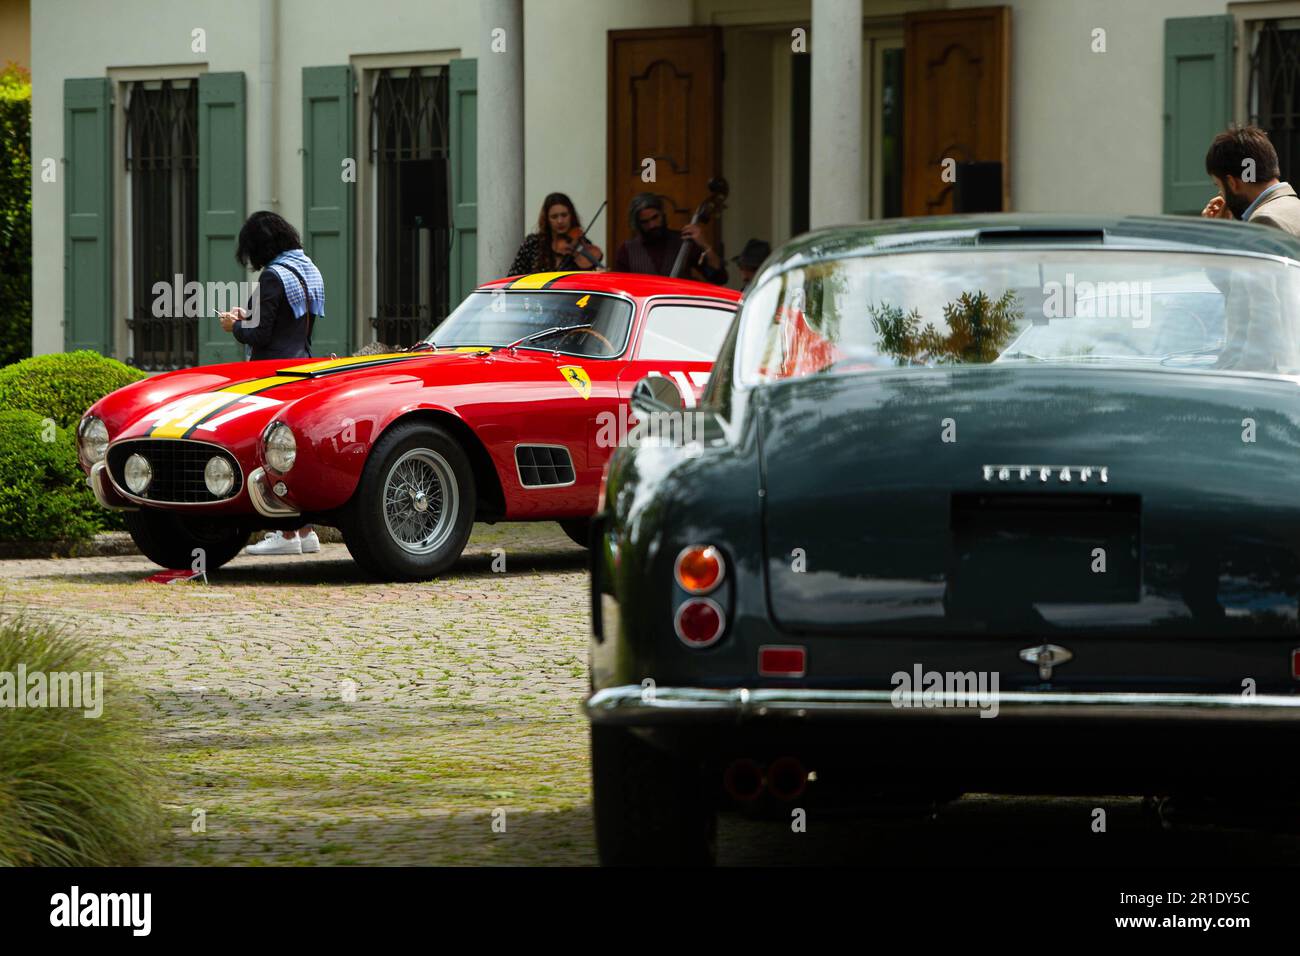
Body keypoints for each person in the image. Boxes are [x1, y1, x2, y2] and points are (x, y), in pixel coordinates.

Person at [217, 210, 323, 556]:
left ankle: (285, 534)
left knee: (269, 453)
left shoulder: (274, 276)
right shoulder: (306, 269)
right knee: (293, 452)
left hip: (271, 374)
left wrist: (234, 328)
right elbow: (287, 321)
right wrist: (249, 314)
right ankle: (306, 531)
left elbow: (262, 335)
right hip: (302, 365)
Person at [1201, 124, 1300, 237]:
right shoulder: (1295, 206)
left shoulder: (1264, 221)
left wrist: (1215, 234)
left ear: (1232, 183)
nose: (1220, 193)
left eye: (1218, 185)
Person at [613, 192, 727, 284]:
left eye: (655, 217)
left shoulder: (683, 242)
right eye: (645, 222)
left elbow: (719, 278)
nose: (652, 225)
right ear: (637, 224)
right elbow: (620, 288)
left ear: (663, 214)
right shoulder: (627, 250)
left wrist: (705, 246)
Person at [509, 192, 603, 275]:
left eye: (564, 215)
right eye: (554, 217)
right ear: (546, 219)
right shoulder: (532, 243)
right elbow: (513, 276)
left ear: (571, 215)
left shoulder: (582, 244)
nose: (560, 221)